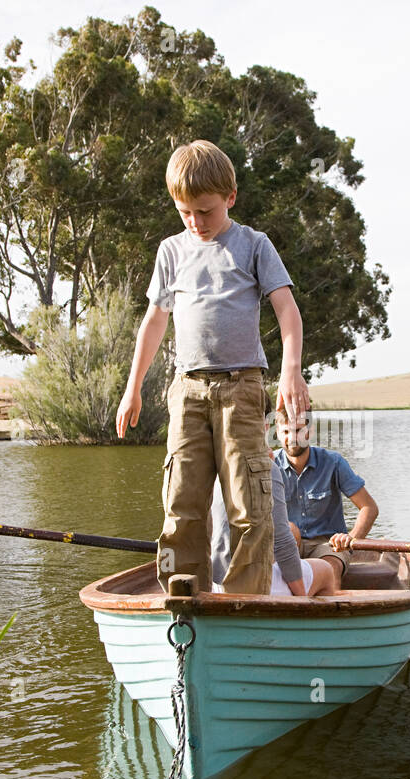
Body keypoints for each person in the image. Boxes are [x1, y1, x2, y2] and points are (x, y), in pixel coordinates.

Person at [116, 140, 309, 595]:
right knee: (181, 504)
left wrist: (290, 371)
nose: (196, 223)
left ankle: (244, 602)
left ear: (230, 198)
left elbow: (287, 310)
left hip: (241, 389)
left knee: (249, 506)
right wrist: (133, 387)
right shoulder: (171, 251)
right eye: (185, 212)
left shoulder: (253, 245)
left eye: (205, 211)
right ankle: (183, 598)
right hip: (187, 392)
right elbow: (154, 321)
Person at [273, 411, 379, 585]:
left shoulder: (333, 462)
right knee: (284, 537)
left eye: (299, 430)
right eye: (286, 432)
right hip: (285, 542)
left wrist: (351, 537)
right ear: (277, 433)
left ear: (310, 431)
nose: (293, 437)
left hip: (327, 544)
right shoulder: (269, 466)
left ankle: (330, 608)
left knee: (329, 568)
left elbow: (369, 507)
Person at [208, 457, 339, 596]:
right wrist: (301, 597)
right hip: (249, 589)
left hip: (209, 583)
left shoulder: (206, 464)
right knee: (325, 570)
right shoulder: (264, 465)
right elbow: (282, 543)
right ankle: (304, 615)